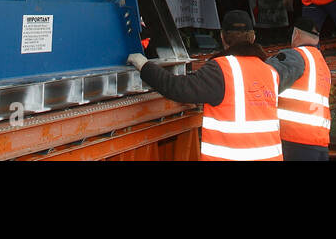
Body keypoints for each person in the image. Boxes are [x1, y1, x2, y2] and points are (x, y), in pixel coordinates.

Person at [128, 9, 305, 161]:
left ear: (222, 37)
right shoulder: (270, 72)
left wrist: (143, 65)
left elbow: (177, 88)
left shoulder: (221, 69)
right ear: (253, 37)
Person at [277, 17, 333, 161]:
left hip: (295, 140)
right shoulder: (321, 63)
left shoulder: (295, 56)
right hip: (319, 142)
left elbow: (264, 80)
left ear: (296, 34)